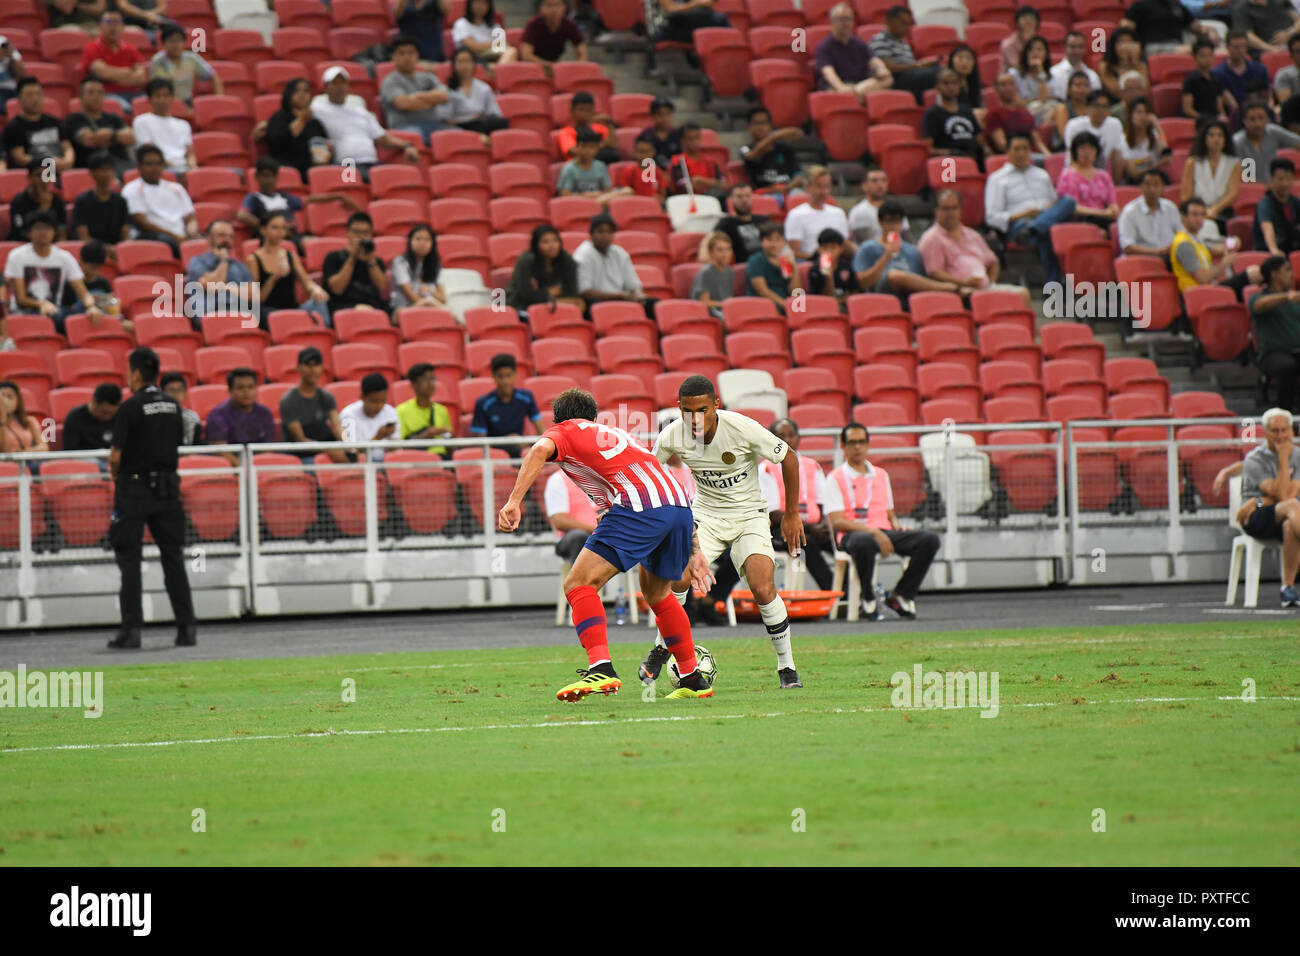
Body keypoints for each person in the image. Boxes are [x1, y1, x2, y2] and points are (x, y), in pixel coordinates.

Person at [498, 385, 710, 701]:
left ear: (559, 420)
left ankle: (602, 669)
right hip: (679, 506)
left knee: (578, 584)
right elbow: (648, 479)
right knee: (659, 594)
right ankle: (693, 678)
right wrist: (696, 549)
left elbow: (539, 450)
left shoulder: (565, 431)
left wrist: (514, 501)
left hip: (640, 507)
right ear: (594, 417)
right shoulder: (619, 435)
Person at [645, 375, 806, 688]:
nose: (695, 419)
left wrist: (792, 513)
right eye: (687, 411)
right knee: (677, 576)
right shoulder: (671, 437)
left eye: (702, 410)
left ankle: (786, 667)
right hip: (706, 517)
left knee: (761, 586)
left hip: (749, 517)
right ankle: (661, 647)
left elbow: (788, 456)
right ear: (678, 408)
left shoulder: (742, 427)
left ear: (716, 406)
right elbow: (649, 474)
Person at [107, 346, 197, 649]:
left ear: (134, 374)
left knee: (130, 560)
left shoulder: (130, 407)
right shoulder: (173, 405)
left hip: (133, 488)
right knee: (174, 558)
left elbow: (116, 456)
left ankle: (131, 631)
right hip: (168, 489)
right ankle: (187, 629)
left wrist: (116, 472)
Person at [825, 423, 941, 619]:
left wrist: (897, 526)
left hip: (884, 531)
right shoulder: (835, 478)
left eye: (862, 442)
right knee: (864, 540)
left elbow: (889, 513)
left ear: (868, 445)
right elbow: (837, 521)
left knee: (929, 540)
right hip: (852, 534)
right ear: (843, 447)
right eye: (852, 443)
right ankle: (867, 599)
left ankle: (902, 595)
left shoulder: (881, 475)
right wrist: (873, 531)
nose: (857, 447)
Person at [984, 133, 1078, 285]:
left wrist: (1049, 208)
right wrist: (1024, 214)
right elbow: (992, 217)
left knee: (1068, 202)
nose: (1021, 153)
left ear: (1030, 151)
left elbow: (1054, 203)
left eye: (1025, 149)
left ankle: (1037, 227)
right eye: (1016, 149)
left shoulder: (1041, 175)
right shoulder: (997, 179)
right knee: (1046, 231)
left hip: (1044, 219)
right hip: (1020, 224)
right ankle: (1053, 286)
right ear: (1008, 152)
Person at [1234, 407, 1300, 606]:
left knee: (1291, 523)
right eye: (1275, 431)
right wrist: (1282, 458)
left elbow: (1288, 495)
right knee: (1292, 506)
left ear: (1291, 430)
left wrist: (1260, 499)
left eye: (1284, 430)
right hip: (1255, 515)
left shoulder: (1298, 455)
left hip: (1278, 508)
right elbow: (1283, 494)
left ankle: (1287, 588)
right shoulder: (1254, 459)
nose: (1280, 436)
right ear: (1265, 432)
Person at [758, 418, 833, 592]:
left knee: (845, 542)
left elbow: (824, 504)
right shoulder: (766, 468)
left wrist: (823, 525)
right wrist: (808, 527)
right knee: (806, 541)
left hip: (815, 528)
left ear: (799, 438)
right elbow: (773, 513)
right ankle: (835, 593)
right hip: (780, 529)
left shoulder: (812, 466)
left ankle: (858, 594)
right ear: (772, 439)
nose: (788, 440)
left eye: (792, 435)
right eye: (781, 436)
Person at [918, 190, 1030, 302]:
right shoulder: (932, 238)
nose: (951, 213)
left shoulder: (972, 235)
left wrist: (990, 283)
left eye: (954, 208)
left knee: (1022, 294)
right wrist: (964, 282)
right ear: (937, 211)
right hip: (957, 292)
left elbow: (993, 262)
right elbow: (934, 273)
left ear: (960, 210)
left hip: (984, 288)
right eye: (946, 209)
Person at [315, 66, 422, 181]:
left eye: (343, 83)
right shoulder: (317, 109)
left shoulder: (360, 111)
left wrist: (407, 146)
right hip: (346, 164)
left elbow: (381, 138)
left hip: (372, 162)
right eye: (335, 83)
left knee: (401, 180)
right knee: (356, 183)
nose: (340, 87)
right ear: (326, 87)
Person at [4, 211, 104, 335]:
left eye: (47, 228)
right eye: (38, 228)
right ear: (29, 232)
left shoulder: (64, 257)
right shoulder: (17, 256)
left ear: (54, 232)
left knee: (95, 310)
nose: (43, 232)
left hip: (55, 313)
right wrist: (41, 303)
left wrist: (91, 307)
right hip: (25, 312)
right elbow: (20, 299)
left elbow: (83, 294)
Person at [854, 200, 971, 297]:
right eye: (889, 222)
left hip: (911, 297)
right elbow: (863, 283)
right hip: (881, 295)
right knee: (894, 275)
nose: (893, 226)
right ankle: (951, 288)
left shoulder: (912, 251)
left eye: (897, 222)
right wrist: (886, 256)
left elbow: (922, 282)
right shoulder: (868, 248)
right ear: (880, 222)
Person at [247, 211, 330, 326]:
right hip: (268, 310)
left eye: (283, 228)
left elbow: (307, 283)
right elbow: (257, 299)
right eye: (274, 227)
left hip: (293, 309)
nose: (280, 232)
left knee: (319, 302)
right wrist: (273, 278)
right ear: (263, 230)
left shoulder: (291, 256)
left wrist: (315, 289)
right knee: (267, 314)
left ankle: (322, 334)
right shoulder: (253, 259)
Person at [122, 144, 197, 255]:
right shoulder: (131, 189)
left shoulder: (177, 188)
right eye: (149, 164)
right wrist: (174, 236)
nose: (154, 168)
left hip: (180, 236)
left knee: (206, 243)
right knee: (171, 244)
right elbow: (141, 222)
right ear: (139, 166)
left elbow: (190, 218)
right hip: (153, 237)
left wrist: (192, 232)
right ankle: (178, 272)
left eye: (158, 163)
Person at [280, 346, 350, 463]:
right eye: (308, 365)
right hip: (301, 455)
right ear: (298, 367)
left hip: (325, 450)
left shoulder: (326, 397)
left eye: (316, 365)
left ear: (322, 368)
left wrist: (348, 446)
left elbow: (337, 427)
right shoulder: (288, 400)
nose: (312, 370)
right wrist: (328, 450)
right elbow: (300, 439)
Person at [380, 35, 452, 144]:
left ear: (417, 55)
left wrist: (416, 96)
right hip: (405, 127)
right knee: (415, 138)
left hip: (435, 124)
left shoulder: (428, 77)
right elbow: (404, 104)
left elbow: (444, 96)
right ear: (394, 57)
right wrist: (431, 102)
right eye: (402, 53)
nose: (407, 57)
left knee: (463, 137)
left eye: (410, 53)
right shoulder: (390, 80)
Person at [1249, 259, 1300, 412]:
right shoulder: (1258, 297)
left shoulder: (1296, 302)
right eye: (1287, 270)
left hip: (1297, 352)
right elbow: (1259, 306)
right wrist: (1286, 297)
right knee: (1288, 366)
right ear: (1274, 274)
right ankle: (1286, 412)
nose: (1292, 274)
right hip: (1272, 356)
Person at [815, 2, 892, 99]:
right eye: (842, 19)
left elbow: (874, 61)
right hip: (837, 86)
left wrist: (881, 69)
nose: (846, 23)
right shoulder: (824, 46)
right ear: (832, 22)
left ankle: (857, 92)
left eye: (848, 19)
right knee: (842, 94)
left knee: (887, 79)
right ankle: (855, 95)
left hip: (860, 84)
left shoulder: (859, 43)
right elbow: (828, 73)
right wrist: (841, 87)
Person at [184, 219, 254, 325]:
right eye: (221, 235)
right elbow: (214, 284)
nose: (227, 240)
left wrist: (226, 288)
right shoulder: (197, 262)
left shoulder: (239, 265)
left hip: (237, 310)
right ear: (208, 238)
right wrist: (224, 261)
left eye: (230, 237)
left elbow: (252, 294)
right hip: (210, 312)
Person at [471, 353, 541, 457]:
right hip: (495, 452)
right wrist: (508, 440)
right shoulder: (483, 403)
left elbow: (540, 428)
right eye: (500, 376)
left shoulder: (526, 397)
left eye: (508, 375)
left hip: (520, 447)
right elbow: (482, 442)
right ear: (494, 377)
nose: (505, 381)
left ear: (515, 375)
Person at [574, 213, 647, 312]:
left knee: (653, 304)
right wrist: (620, 295)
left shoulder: (619, 252)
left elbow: (633, 284)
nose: (605, 236)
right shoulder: (583, 255)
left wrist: (639, 295)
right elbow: (584, 291)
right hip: (600, 301)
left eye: (609, 232)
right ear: (591, 234)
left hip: (622, 298)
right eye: (600, 232)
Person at [203, 367, 274, 465]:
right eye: (240, 388)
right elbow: (221, 451)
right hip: (229, 469)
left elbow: (268, 449)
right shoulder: (218, 415)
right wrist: (244, 471)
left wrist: (256, 469)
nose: (246, 392)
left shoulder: (265, 413)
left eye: (250, 387)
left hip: (259, 468)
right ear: (230, 391)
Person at [869, 5, 941, 102]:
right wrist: (918, 65)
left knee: (945, 73)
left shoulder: (904, 43)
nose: (907, 27)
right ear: (890, 21)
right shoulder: (880, 39)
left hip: (912, 76)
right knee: (938, 73)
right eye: (904, 23)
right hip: (895, 80)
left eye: (909, 24)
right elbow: (886, 67)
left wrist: (921, 65)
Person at [79, 10, 148, 111]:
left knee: (149, 104)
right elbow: (104, 73)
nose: (113, 27)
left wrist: (115, 77)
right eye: (108, 22)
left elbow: (141, 77)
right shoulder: (91, 48)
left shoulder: (131, 48)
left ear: (123, 27)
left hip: (134, 93)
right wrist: (128, 72)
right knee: (124, 108)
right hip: (107, 94)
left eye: (117, 22)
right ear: (100, 26)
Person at [505, 223, 582, 313]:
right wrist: (547, 293)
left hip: (553, 303)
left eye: (555, 240)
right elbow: (526, 295)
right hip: (519, 304)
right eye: (545, 242)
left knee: (580, 304)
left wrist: (547, 296)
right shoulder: (525, 261)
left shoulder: (566, 258)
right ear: (536, 245)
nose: (551, 246)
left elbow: (572, 291)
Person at [265, 78, 331, 183]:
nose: (302, 94)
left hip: (313, 170)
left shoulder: (315, 123)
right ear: (288, 94)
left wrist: (328, 152)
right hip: (286, 169)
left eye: (306, 91)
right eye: (297, 91)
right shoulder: (280, 117)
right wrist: (302, 120)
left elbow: (323, 144)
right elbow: (278, 142)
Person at [322, 212, 389, 314]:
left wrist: (371, 260)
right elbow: (337, 289)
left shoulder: (376, 261)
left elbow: (382, 287)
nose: (361, 237)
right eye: (357, 232)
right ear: (347, 233)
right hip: (343, 307)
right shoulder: (333, 257)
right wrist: (352, 258)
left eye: (365, 233)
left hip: (373, 307)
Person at [1181, 119, 1241, 231]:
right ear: (1205, 139)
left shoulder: (1234, 163)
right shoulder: (1193, 162)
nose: (1216, 139)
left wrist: (1215, 210)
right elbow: (1186, 195)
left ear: (1225, 140)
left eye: (1220, 136)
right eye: (1211, 135)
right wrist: (1199, 212)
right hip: (1196, 211)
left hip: (1222, 211)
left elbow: (1233, 192)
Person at [740, 106, 807, 206]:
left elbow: (799, 177)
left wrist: (786, 188)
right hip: (764, 194)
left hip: (787, 191)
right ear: (749, 127)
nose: (761, 127)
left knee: (801, 198)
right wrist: (774, 137)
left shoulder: (785, 149)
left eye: (764, 123)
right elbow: (751, 156)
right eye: (756, 123)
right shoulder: (745, 148)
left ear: (770, 125)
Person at [66, 77, 134, 174]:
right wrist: (117, 137)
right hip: (92, 169)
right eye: (91, 92)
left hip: (121, 165)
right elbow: (88, 140)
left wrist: (110, 135)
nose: (96, 96)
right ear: (81, 96)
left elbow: (131, 138)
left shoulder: (113, 118)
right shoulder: (74, 119)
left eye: (100, 93)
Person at [3, 78, 73, 172]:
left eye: (39, 94)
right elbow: (20, 159)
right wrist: (49, 163)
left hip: (59, 170)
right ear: (19, 98)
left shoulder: (54, 122)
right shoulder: (13, 127)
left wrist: (67, 160)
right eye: (29, 95)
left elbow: (67, 147)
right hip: (35, 176)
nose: (35, 99)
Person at [1171, 196, 1239, 293]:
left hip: (1208, 289)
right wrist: (1225, 264)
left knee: (1252, 274)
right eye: (1194, 215)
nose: (1199, 219)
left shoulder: (1197, 239)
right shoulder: (1184, 243)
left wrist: (1233, 241)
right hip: (1197, 293)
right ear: (1183, 217)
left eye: (1202, 215)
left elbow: (1218, 247)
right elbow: (1202, 278)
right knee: (1251, 275)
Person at [922, 69, 985, 172]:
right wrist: (950, 152)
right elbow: (928, 149)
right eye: (946, 83)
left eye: (954, 83)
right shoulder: (932, 114)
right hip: (948, 163)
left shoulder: (966, 110)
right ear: (937, 87)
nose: (951, 87)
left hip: (973, 158)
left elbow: (979, 139)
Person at [782, 165, 851, 259]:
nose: (824, 192)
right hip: (810, 263)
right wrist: (819, 258)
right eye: (819, 186)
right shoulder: (796, 215)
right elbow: (794, 253)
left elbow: (844, 245)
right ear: (807, 187)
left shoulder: (838, 213)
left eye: (827, 186)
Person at [130, 77, 194, 178]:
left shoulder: (184, 125)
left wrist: (193, 168)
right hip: (160, 169)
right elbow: (148, 151)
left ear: (173, 98)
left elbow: (190, 154)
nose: (162, 100)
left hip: (183, 168)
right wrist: (174, 167)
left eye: (166, 96)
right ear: (150, 99)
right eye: (157, 96)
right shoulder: (141, 121)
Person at [438, 46, 508, 135]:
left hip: (480, 126)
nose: (465, 65)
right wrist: (469, 119)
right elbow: (445, 119)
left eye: (468, 61)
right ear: (453, 65)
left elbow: (495, 114)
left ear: (474, 64)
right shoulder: (446, 89)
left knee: (501, 123)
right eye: (460, 61)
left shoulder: (484, 88)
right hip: (457, 128)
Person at [1056, 131, 1120, 229]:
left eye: (1091, 148)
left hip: (1105, 218)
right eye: (1082, 148)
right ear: (1075, 151)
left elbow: (1112, 202)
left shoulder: (1104, 175)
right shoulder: (1068, 175)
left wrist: (1113, 210)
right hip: (1081, 220)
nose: (1087, 152)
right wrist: (1102, 213)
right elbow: (1073, 207)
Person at [148, 23, 220, 108]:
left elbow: (213, 75)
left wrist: (219, 98)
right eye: (171, 41)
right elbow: (157, 89)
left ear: (184, 42)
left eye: (179, 40)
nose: (176, 45)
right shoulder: (158, 61)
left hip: (188, 102)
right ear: (163, 44)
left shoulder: (192, 58)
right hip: (165, 104)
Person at [1119, 167, 1181, 257]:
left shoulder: (1171, 207)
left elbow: (1182, 235)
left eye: (1156, 185)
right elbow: (1128, 247)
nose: (1152, 189)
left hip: (1170, 256)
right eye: (1147, 185)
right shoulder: (1129, 212)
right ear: (1141, 188)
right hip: (1143, 259)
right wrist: (1158, 252)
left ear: (1163, 188)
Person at [395, 362, 453, 457]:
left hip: (441, 459)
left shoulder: (442, 410)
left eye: (432, 379)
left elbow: (449, 444)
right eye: (425, 379)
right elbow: (401, 446)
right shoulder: (401, 411)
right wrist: (427, 434)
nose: (430, 383)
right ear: (413, 384)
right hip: (416, 459)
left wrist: (450, 434)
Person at [984, 71, 1049, 156]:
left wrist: (1049, 157)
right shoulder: (994, 113)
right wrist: (1024, 155)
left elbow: (1038, 142)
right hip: (1014, 157)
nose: (1008, 88)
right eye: (1003, 85)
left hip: (1033, 155)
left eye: (1011, 84)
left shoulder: (1025, 112)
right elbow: (1002, 144)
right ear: (996, 88)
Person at [339, 372, 400, 462]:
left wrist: (391, 438)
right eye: (374, 401)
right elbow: (352, 452)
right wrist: (378, 437)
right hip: (361, 464)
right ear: (363, 397)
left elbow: (396, 450)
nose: (379, 405)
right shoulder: (348, 416)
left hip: (386, 462)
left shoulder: (391, 413)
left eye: (383, 401)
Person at [557, 126, 625, 205]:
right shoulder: (568, 168)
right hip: (578, 205)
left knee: (627, 191)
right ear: (577, 147)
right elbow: (565, 196)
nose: (587, 150)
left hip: (600, 203)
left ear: (597, 149)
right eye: (583, 146)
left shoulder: (601, 166)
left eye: (591, 147)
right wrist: (587, 196)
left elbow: (608, 191)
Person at [544, 466, 598, 565]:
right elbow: (560, 522)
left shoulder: (600, 477)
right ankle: (581, 580)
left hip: (605, 533)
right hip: (573, 538)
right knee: (579, 536)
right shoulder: (558, 479)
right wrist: (597, 530)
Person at [62, 382, 122, 468]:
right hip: (84, 463)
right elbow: (69, 452)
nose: (107, 417)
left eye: (111, 414)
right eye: (104, 412)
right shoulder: (75, 417)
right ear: (94, 402)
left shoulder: (119, 417)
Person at [520, 0, 587, 75]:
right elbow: (526, 55)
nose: (554, 10)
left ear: (564, 7)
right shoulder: (533, 24)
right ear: (541, 8)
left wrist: (577, 68)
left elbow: (582, 53)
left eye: (557, 5)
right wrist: (552, 65)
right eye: (549, 5)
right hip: (533, 67)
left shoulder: (569, 24)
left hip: (555, 66)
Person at [1064, 90, 1126, 170]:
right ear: (1087, 107)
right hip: (1077, 171)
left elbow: (1119, 154)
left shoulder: (1115, 124)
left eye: (1105, 107)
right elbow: (1072, 156)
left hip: (1101, 171)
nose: (1101, 110)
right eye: (1097, 106)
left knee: (1119, 156)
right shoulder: (1074, 125)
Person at [747, 221, 802, 311]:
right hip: (763, 306)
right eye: (769, 240)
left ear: (784, 242)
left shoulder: (786, 260)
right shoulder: (756, 260)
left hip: (787, 306)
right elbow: (762, 291)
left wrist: (795, 269)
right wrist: (786, 305)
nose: (774, 244)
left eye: (778, 239)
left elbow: (795, 292)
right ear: (761, 241)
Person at [390, 223, 446, 311]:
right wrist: (429, 304)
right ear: (410, 241)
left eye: (427, 240)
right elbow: (412, 297)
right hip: (404, 309)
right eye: (418, 239)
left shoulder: (435, 264)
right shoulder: (400, 262)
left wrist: (430, 291)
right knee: (441, 310)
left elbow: (443, 299)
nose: (422, 243)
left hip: (431, 307)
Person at [1234, 101, 1300, 176]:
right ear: (1244, 121)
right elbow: (1240, 177)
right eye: (1252, 119)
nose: (1257, 123)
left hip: (1273, 185)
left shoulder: (1273, 132)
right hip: (1247, 186)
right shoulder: (1237, 142)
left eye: (1261, 118)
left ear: (1267, 119)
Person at [8, 159, 67, 242]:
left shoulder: (57, 200)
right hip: (25, 246)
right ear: (29, 178)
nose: (44, 179)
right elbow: (20, 232)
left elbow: (62, 231)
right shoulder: (19, 201)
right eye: (39, 175)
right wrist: (43, 209)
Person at [1116, 96, 1170, 184]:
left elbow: (1167, 156)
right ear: (1130, 115)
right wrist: (1157, 164)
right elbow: (1134, 174)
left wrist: (1158, 127)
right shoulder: (1122, 140)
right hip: (1134, 182)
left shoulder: (1155, 136)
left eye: (1146, 112)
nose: (1143, 116)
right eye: (1139, 112)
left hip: (1155, 181)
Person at [555, 90, 619, 163]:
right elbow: (575, 152)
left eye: (589, 110)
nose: (585, 113)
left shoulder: (599, 128)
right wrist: (602, 145)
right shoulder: (567, 132)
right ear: (572, 111)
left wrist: (609, 123)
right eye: (581, 110)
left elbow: (614, 145)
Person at [848, 167, 909, 243]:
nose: (880, 185)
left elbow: (906, 238)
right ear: (864, 186)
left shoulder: (896, 209)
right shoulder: (858, 211)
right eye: (874, 181)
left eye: (883, 180)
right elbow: (863, 243)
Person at [1254, 158, 1300, 256]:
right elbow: (1267, 227)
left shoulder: (1295, 202)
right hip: (1268, 254)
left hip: (1291, 249)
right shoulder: (1265, 204)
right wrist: (1274, 250)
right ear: (1271, 180)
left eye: (1288, 178)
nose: (1285, 183)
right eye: (1280, 179)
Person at [1010, 35, 1058, 127]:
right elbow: (1017, 103)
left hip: (1044, 112)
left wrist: (1040, 71)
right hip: (1024, 113)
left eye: (1039, 49)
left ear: (1046, 54)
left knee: (1056, 109)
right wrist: (1036, 100)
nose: (1035, 53)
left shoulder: (1051, 75)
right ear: (1025, 53)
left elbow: (1043, 99)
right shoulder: (1014, 74)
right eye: (1031, 49)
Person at [670, 122, 726, 201]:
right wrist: (713, 182)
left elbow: (724, 185)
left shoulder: (710, 161)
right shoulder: (678, 161)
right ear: (682, 141)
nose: (694, 142)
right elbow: (686, 187)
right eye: (690, 139)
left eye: (697, 138)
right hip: (688, 201)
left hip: (711, 199)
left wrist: (700, 180)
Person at [452, 0, 518, 66]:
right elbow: (473, 47)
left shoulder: (494, 25)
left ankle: (496, 70)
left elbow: (503, 44)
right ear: (470, 5)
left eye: (483, 3)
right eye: (477, 3)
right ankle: (496, 71)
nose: (480, 6)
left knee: (512, 52)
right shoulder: (461, 23)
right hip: (473, 57)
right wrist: (495, 44)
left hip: (495, 56)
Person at [716, 183, 769, 262]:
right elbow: (711, 242)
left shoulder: (763, 220)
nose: (744, 200)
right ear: (731, 199)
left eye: (747, 196)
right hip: (744, 265)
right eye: (739, 196)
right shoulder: (726, 224)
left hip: (768, 262)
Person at [1214, 30, 1270, 104]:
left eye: (1243, 46)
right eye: (1236, 47)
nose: (1240, 50)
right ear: (1227, 47)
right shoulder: (1218, 74)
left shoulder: (1259, 69)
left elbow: (1268, 96)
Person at [1183, 38, 1231, 121]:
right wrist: (1206, 118)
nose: (1207, 59)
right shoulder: (1191, 81)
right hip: (1200, 120)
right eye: (1203, 56)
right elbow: (1188, 110)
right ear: (1194, 57)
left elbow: (1219, 104)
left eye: (1210, 55)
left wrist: (1222, 116)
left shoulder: (1216, 79)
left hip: (1215, 120)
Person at [1099, 27, 1150, 102]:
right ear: (1114, 46)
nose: (1126, 47)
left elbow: (1145, 93)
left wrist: (1134, 64)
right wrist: (1125, 63)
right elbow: (1119, 93)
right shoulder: (1105, 66)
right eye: (1122, 42)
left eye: (1130, 42)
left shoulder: (1141, 65)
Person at [1232, 0, 1300, 55]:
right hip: (1264, 52)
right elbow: (1247, 35)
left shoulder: (1282, 1)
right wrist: (1272, 49)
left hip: (1293, 48)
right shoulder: (1242, 8)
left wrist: (1290, 33)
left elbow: (1298, 21)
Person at [0, 380, 50, 455]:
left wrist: (23, 453)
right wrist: (2, 418)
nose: (5, 401)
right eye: (2, 397)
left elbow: (44, 447)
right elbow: (5, 451)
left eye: (10, 397)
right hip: (8, 465)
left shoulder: (29, 421)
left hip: (28, 461)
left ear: (18, 401)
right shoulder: (2, 423)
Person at [1050, 31, 1102, 99]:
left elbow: (1097, 101)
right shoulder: (1053, 73)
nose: (1076, 51)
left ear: (1085, 49)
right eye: (1072, 47)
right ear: (1064, 47)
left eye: (1080, 47)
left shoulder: (1092, 76)